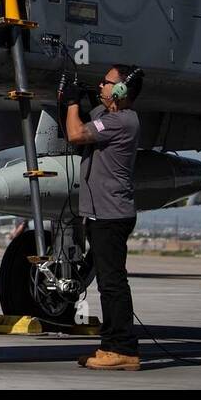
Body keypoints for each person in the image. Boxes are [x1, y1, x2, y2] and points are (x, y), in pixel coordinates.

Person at [65, 64, 144, 371]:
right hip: (104, 214)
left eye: (107, 83)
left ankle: (123, 348)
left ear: (121, 91)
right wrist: (80, 98)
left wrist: (73, 103)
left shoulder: (121, 121)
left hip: (111, 215)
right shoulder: (108, 116)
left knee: (113, 284)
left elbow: (75, 134)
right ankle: (110, 346)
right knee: (109, 283)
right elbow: (90, 117)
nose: (101, 85)